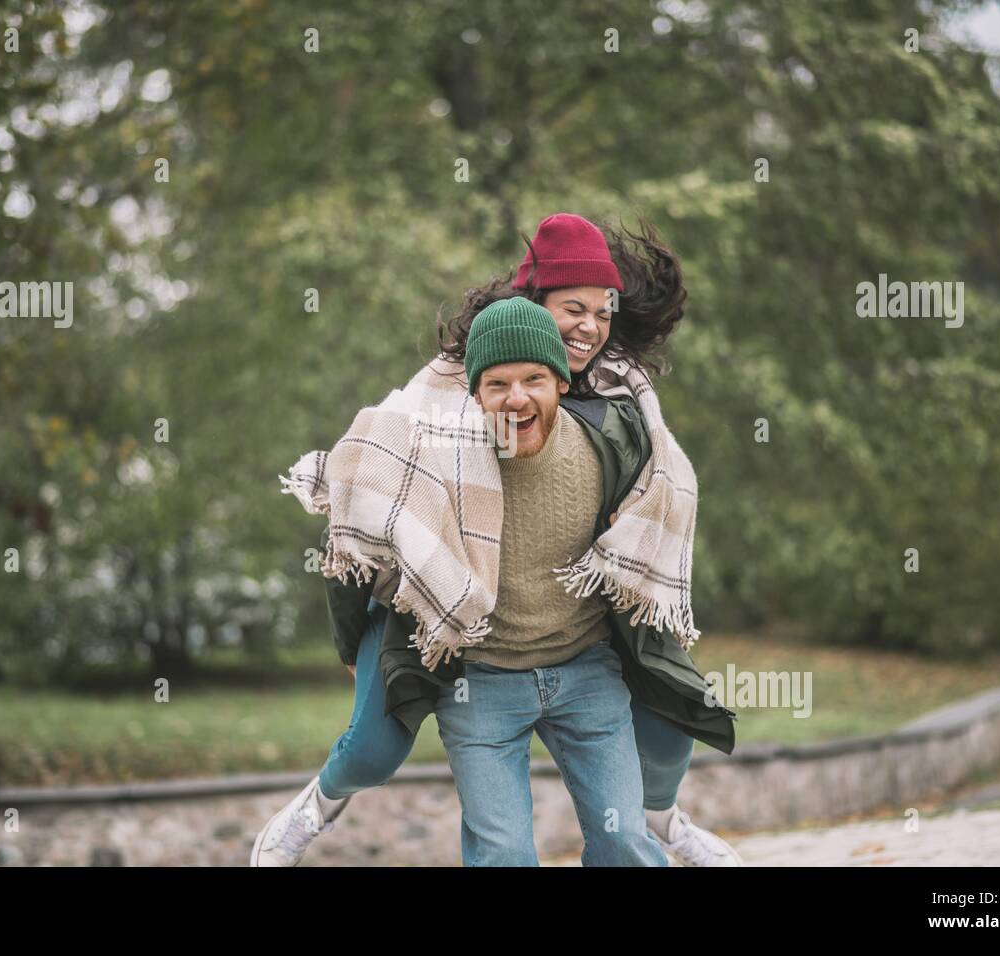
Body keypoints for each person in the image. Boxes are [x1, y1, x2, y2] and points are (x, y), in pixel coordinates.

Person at [253, 213, 742, 866]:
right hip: (450, 618)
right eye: (574, 309)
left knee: (674, 718)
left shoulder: (617, 393)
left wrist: (648, 592)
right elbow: (364, 509)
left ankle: (663, 822)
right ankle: (320, 804)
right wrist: (351, 639)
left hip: (579, 629)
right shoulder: (446, 405)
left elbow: (661, 500)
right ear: (534, 305)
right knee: (375, 744)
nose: (591, 327)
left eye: (603, 312)